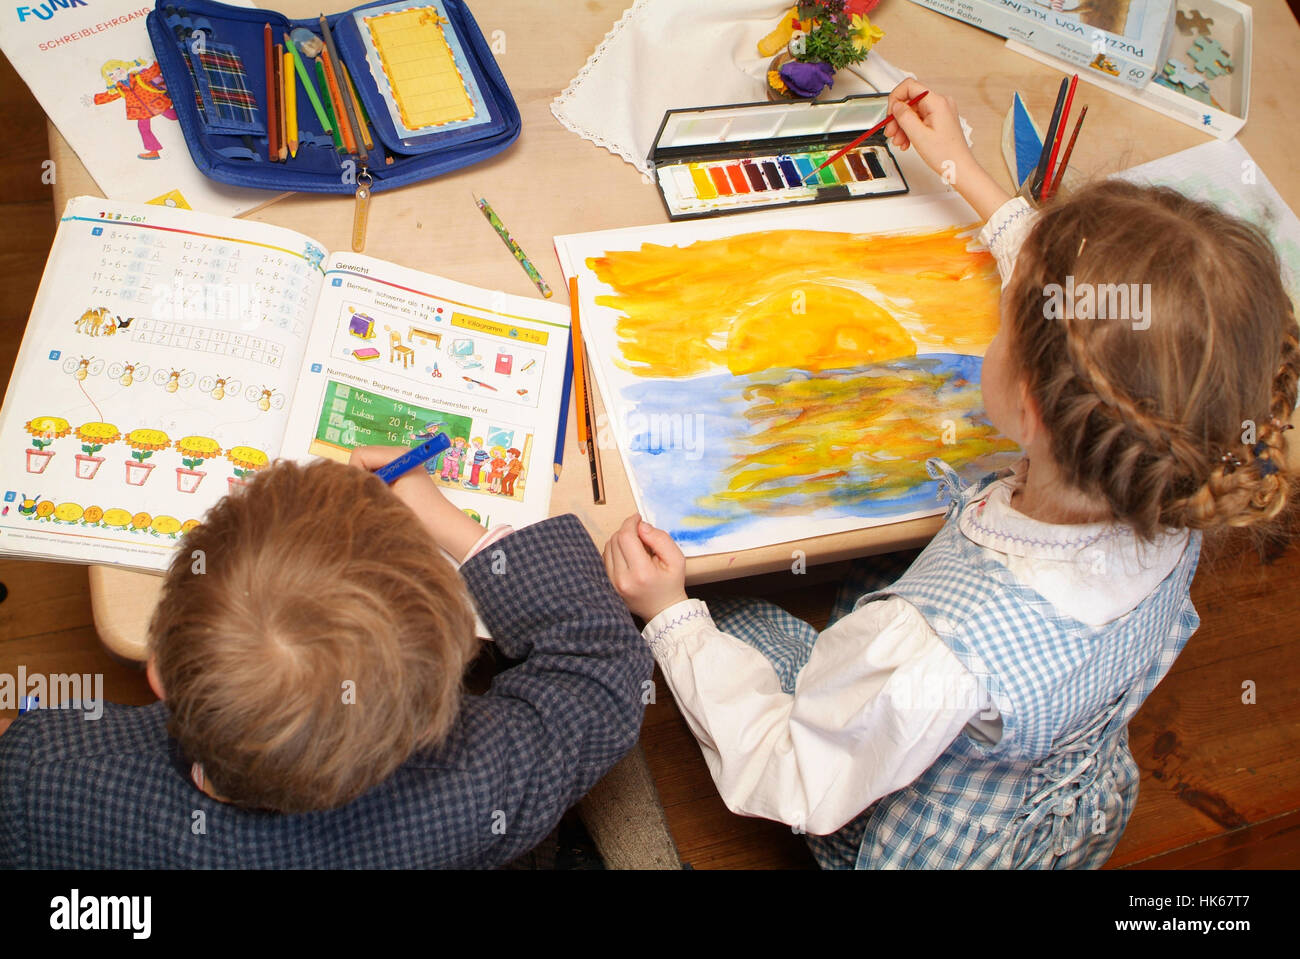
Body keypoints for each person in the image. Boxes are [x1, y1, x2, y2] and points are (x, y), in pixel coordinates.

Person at [601, 79, 1299, 868]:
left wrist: (669, 617)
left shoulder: (932, 650)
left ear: (1028, 403)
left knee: (733, 615)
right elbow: (1083, 304)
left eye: (1004, 324)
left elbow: (790, 771)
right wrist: (964, 171)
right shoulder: (1185, 477)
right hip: (1052, 794)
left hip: (916, 831)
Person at [0, 453, 652, 868]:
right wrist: (456, 525)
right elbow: (601, 671)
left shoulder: (40, 781)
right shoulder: (470, 784)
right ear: (432, 704)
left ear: (160, 674)